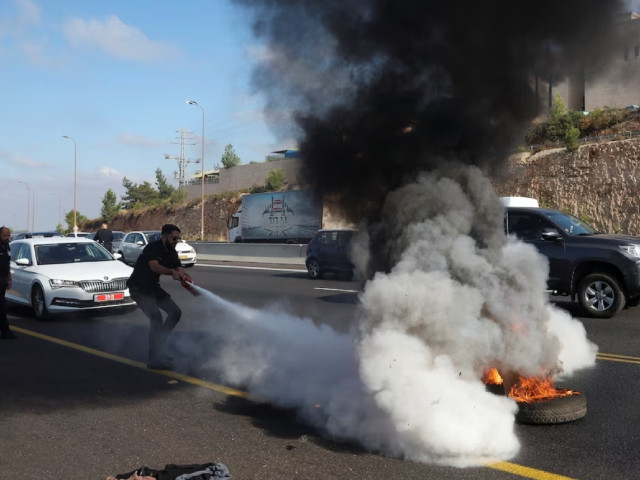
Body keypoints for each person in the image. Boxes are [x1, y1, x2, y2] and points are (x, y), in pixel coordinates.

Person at [126, 224, 185, 369]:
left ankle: (161, 342)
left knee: (175, 312)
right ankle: (154, 359)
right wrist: (172, 272)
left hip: (153, 287)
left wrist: (186, 278)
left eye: (178, 238)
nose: (175, 241)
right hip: (138, 288)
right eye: (173, 238)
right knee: (156, 318)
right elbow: (154, 267)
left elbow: (179, 267)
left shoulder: (172, 251)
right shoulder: (152, 248)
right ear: (165, 236)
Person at [0, 226, 17, 339]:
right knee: (1, 307)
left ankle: (5, 331)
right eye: (5, 235)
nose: (7, 238)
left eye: (8, 235)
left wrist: (9, 279)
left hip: (3, 281)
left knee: (2, 307)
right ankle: (6, 331)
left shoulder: (7, 246)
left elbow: (8, 264)